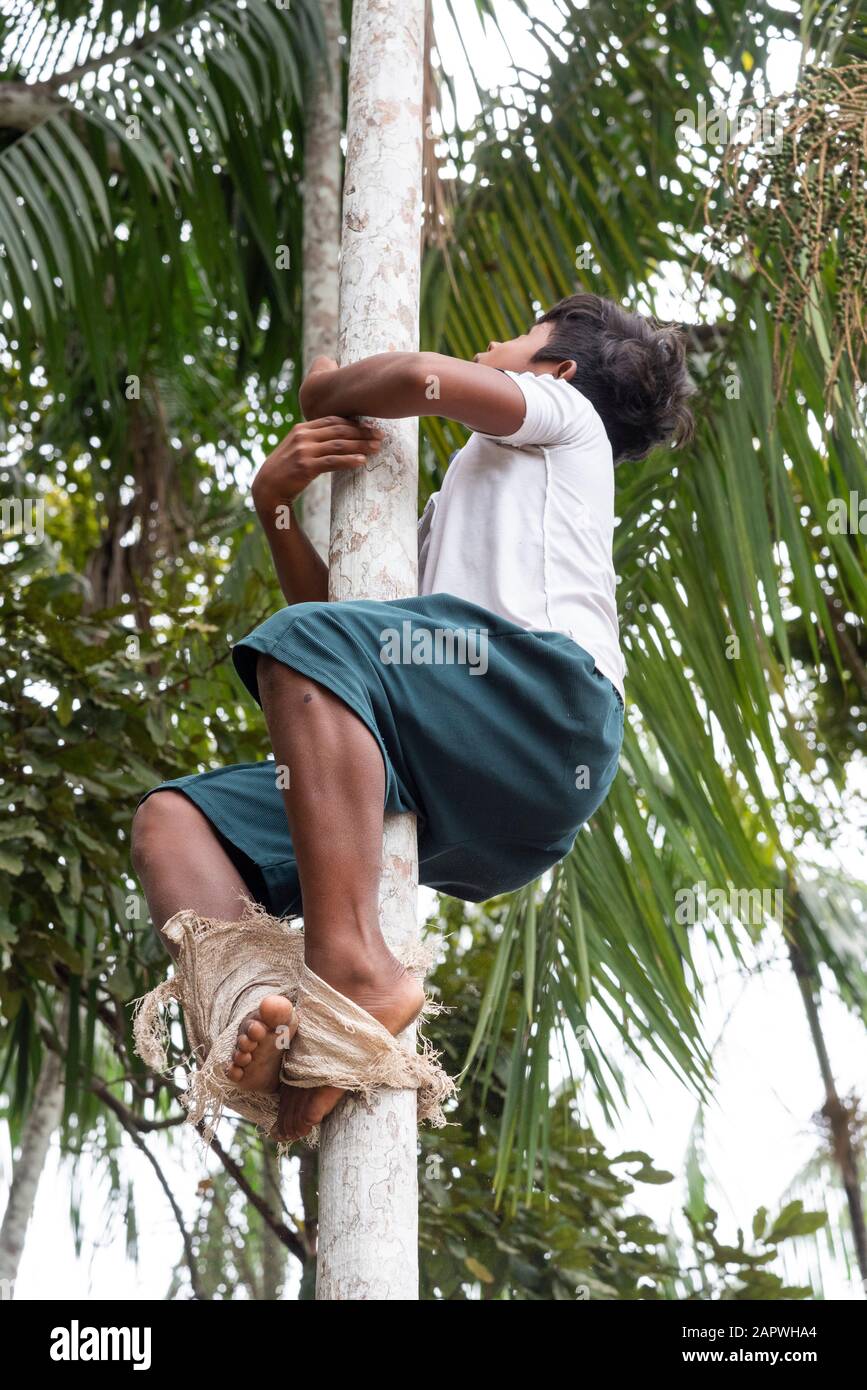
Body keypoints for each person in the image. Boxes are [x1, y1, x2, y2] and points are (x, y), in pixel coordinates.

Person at [131, 291, 694, 1142]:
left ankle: (356, 972)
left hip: (544, 706)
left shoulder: (566, 418)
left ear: (558, 369)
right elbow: (334, 635)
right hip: (458, 792)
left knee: (304, 645)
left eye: (516, 335)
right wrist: (275, 507)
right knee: (173, 822)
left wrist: (324, 388)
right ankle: (267, 1021)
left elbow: (423, 378)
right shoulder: (462, 505)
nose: (492, 340)